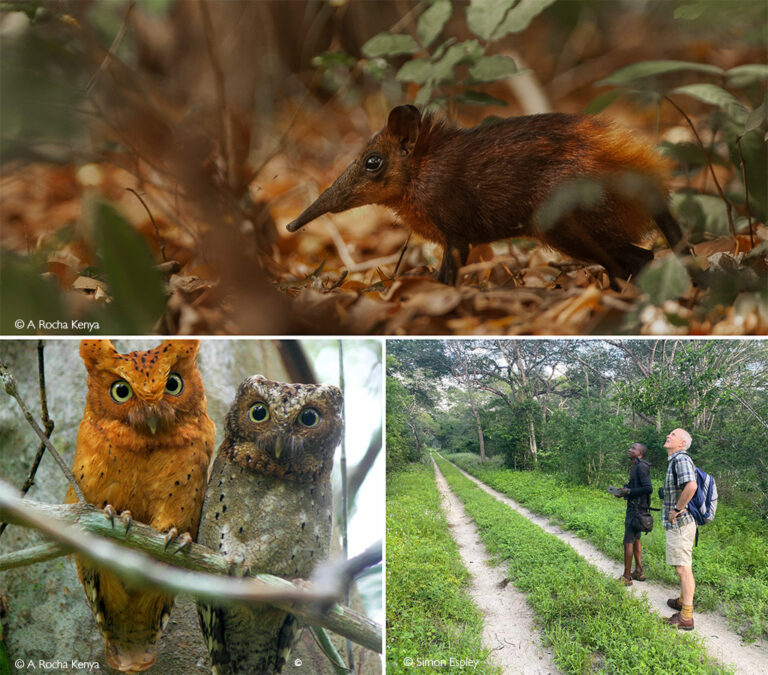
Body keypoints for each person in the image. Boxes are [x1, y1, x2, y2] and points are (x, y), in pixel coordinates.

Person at [663, 428, 698, 630]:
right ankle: (681, 600)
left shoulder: (681, 459)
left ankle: (686, 616)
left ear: (682, 443)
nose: (669, 436)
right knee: (683, 565)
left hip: (681, 523)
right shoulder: (675, 460)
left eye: (673, 435)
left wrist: (676, 509)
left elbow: (691, 486)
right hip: (681, 524)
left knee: (682, 568)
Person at [614, 443, 652, 586]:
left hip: (636, 510)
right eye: (630, 447)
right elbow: (636, 487)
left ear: (640, 454)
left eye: (633, 448)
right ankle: (639, 572)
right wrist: (624, 491)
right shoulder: (637, 466)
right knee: (636, 540)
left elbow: (648, 488)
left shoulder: (641, 467)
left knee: (628, 541)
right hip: (638, 508)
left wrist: (628, 492)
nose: (630, 450)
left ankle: (626, 577)